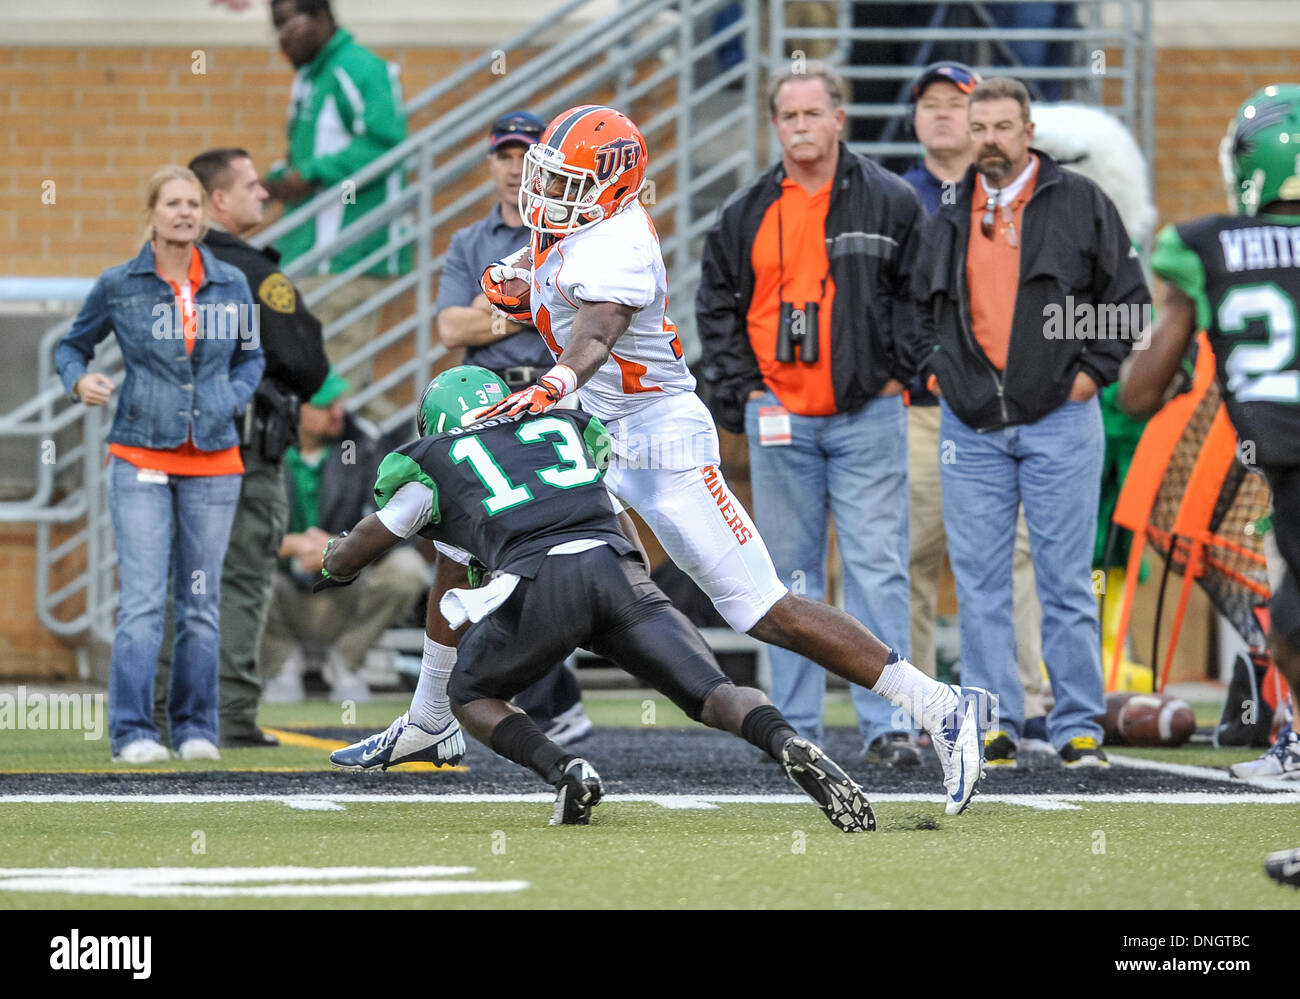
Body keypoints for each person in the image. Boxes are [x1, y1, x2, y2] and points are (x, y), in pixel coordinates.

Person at [470, 103, 995, 814]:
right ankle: (440, 711)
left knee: (762, 607)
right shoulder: (568, 228)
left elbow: (594, 335)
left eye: (567, 183)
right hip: (599, 434)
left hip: (662, 441)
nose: (547, 195)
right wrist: (523, 296)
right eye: (547, 179)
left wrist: (553, 382)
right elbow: (528, 285)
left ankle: (938, 702)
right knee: (529, 535)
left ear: (615, 187)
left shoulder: (622, 239)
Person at [321, 366, 876, 831]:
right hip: (618, 572)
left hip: (540, 582)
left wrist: (333, 557)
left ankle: (564, 769)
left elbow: (361, 549)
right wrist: (640, 598)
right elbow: (618, 516)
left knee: (471, 692)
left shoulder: (435, 460)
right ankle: (782, 739)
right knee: (713, 695)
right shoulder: (563, 430)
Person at [911, 77, 1149, 768]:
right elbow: (913, 309)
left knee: (1066, 579)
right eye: (978, 126)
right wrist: (937, 373)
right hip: (972, 426)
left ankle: (1078, 725)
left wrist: (1089, 375)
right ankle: (994, 724)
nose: (989, 138)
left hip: (1061, 421)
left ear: (1028, 130)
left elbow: (1128, 302)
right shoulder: (950, 210)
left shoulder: (1081, 202)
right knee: (979, 582)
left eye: (1002, 127)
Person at [696, 63, 922, 767]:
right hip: (778, 421)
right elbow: (717, 312)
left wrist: (899, 375)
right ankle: (793, 726)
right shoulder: (743, 212)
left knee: (876, 567)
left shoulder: (890, 200)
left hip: (868, 416)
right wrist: (742, 395)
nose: (800, 126)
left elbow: (920, 300)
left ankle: (891, 725)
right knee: (785, 578)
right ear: (775, 124)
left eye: (811, 113)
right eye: (787, 116)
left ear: (838, 117)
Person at [1119, 84, 1300, 784]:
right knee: (1286, 628)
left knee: (1289, 628)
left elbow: (1138, 395)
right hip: (1286, 477)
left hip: (1283, 461)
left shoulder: (1203, 246)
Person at [55, 165, 264, 763]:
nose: (184, 213)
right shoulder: (119, 284)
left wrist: (225, 400)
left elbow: (252, 360)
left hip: (215, 463)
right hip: (139, 457)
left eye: (193, 204)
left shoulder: (230, 282)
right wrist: (79, 381)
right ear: (149, 214)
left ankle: (197, 728)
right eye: (172, 203)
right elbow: (73, 345)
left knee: (200, 602)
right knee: (144, 600)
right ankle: (132, 732)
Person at [150, 147, 330, 749]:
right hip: (243, 453)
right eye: (252, 185)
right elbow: (307, 361)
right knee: (240, 580)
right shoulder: (255, 272)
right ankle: (227, 715)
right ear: (218, 200)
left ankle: (157, 714)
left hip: (171, 447)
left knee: (178, 580)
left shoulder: (159, 264)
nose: (265, 193)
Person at [901, 62, 1053, 760]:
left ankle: (1027, 702)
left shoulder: (1024, 195)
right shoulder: (898, 195)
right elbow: (892, 305)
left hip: (1011, 409)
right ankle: (923, 706)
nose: (941, 116)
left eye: (954, 105)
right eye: (928, 105)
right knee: (913, 555)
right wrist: (922, 367)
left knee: (1016, 556)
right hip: (929, 409)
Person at [435, 110, 592, 743]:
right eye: (503, 155)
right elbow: (450, 329)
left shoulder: (574, 232)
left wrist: (495, 311)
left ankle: (546, 697)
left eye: (524, 156)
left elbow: (587, 323)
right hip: (489, 402)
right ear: (491, 162)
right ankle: (541, 698)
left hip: (555, 396)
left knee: (554, 549)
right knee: (484, 552)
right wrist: (529, 312)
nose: (511, 167)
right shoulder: (470, 240)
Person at [264, 0, 409, 413]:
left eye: (287, 24)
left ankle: (401, 459)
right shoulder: (311, 79)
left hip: (350, 255)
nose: (281, 38)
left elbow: (386, 145)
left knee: (331, 396)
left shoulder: (358, 68)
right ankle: (396, 456)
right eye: (275, 28)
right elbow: (304, 161)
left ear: (321, 18)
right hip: (313, 256)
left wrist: (310, 173)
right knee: (329, 391)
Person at [258, 370, 431, 703]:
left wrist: (339, 545)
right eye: (326, 405)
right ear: (293, 410)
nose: (339, 411)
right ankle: (280, 663)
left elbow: (397, 520)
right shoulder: (260, 450)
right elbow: (234, 531)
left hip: (346, 585)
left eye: (339, 401)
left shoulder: (362, 444)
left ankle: (346, 661)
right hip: (280, 590)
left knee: (407, 567)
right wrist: (290, 545)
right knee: (230, 566)